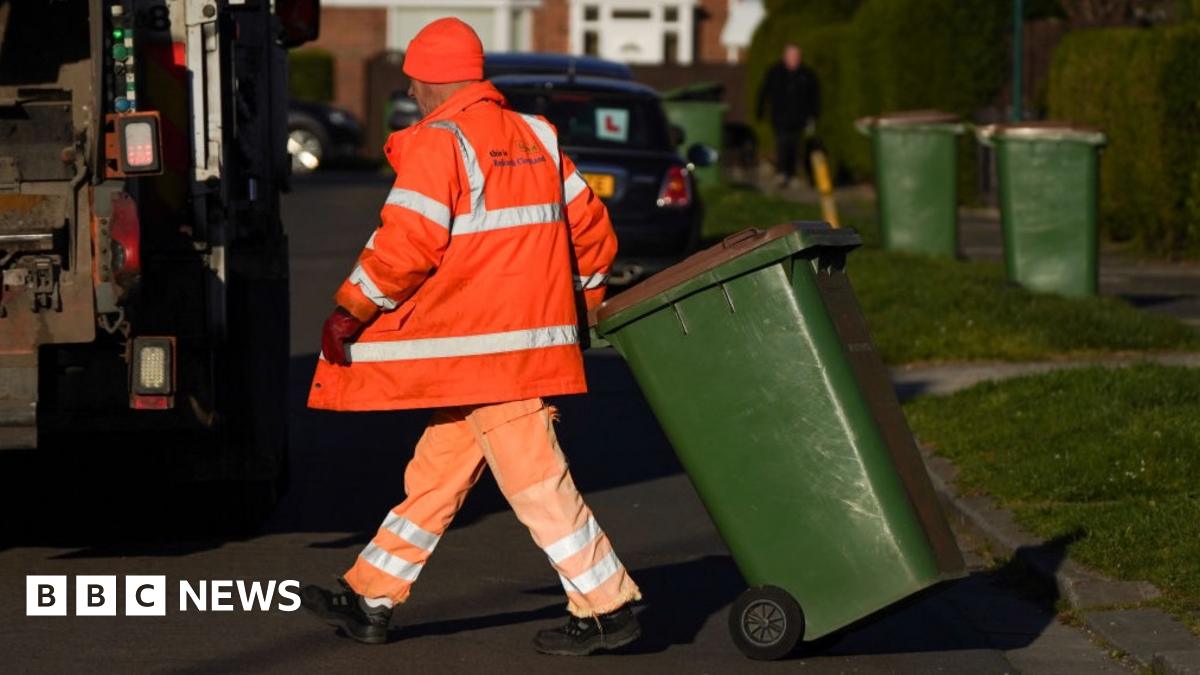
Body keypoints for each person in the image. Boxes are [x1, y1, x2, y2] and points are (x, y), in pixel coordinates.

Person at [300, 17, 642, 657]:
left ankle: (607, 605)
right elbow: (591, 229)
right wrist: (584, 302)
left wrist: (350, 308)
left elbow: (406, 243)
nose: (412, 93)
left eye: (413, 82)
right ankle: (371, 596)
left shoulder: (441, 142)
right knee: (434, 475)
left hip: (485, 355)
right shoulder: (536, 136)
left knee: (536, 482)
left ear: (430, 81)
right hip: (513, 353)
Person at [756, 43, 821, 189]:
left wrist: (814, 115)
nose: (794, 59)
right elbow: (764, 92)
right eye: (791, 56)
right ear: (785, 57)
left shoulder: (807, 74)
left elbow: (814, 96)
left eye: (796, 56)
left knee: (795, 144)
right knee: (782, 142)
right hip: (780, 116)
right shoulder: (775, 72)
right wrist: (760, 110)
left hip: (799, 117)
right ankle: (782, 172)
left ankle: (791, 174)